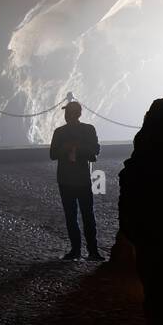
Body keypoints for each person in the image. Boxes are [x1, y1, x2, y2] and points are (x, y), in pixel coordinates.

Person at [50, 100, 103, 261]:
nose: (67, 116)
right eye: (66, 113)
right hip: (73, 179)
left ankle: (83, 251)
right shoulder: (84, 130)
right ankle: (85, 251)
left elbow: (95, 150)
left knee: (82, 215)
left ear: (77, 114)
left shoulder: (63, 132)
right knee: (78, 215)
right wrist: (65, 149)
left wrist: (76, 148)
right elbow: (53, 154)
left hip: (76, 179)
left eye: (69, 113)